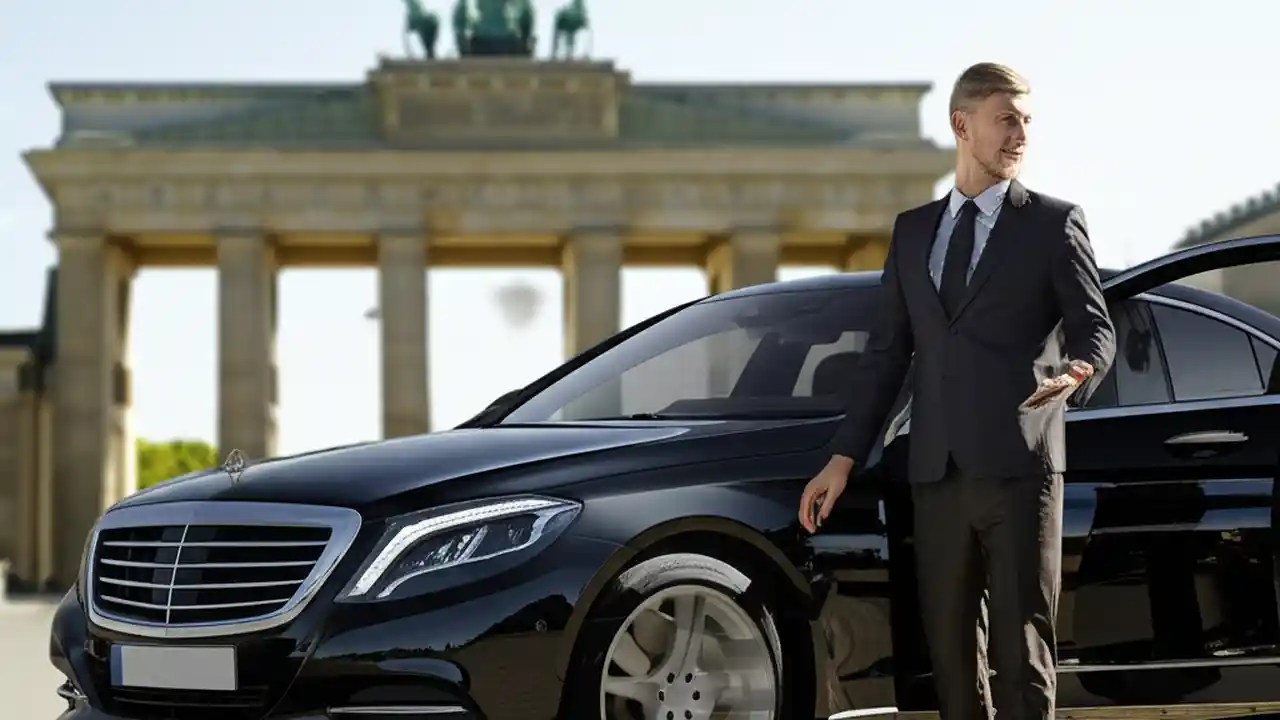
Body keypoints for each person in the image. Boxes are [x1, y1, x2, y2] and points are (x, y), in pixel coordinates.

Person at [799, 62, 1116, 720]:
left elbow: (1096, 328)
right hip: (935, 472)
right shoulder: (913, 231)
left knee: (1021, 651)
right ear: (961, 125)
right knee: (949, 657)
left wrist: (1079, 371)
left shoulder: (1053, 224)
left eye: (1026, 121)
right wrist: (842, 458)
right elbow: (887, 355)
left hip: (1020, 469)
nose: (1020, 134)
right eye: (1006, 120)